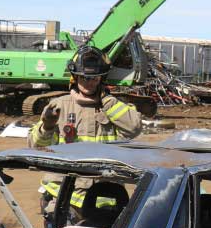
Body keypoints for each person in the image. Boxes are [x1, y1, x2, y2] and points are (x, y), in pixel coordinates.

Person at [28, 46, 142, 219]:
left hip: (103, 196)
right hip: (63, 196)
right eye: (84, 77)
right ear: (75, 77)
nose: (89, 82)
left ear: (102, 78)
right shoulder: (60, 105)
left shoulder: (112, 106)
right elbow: (36, 147)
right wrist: (47, 126)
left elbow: (134, 128)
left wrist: (107, 101)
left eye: (94, 78)